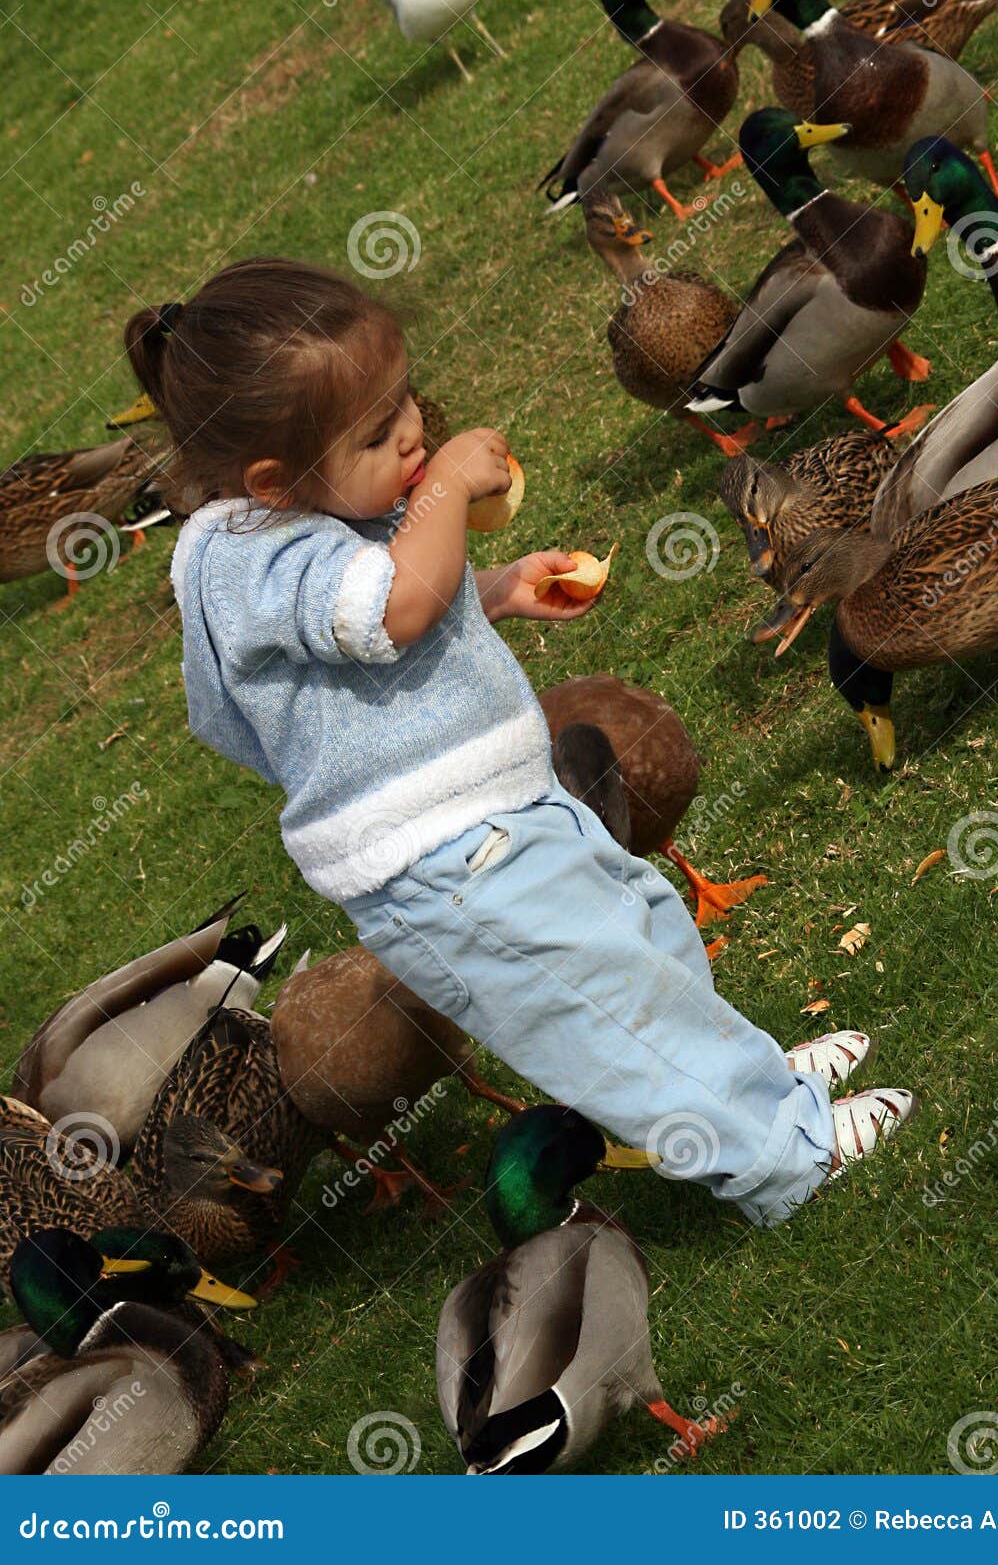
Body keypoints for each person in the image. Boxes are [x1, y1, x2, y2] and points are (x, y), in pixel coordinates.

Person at [128, 256, 914, 1228]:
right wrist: (448, 491)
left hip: (494, 812)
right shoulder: (262, 560)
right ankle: (779, 1155)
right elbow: (394, 603)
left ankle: (739, 1076)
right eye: (380, 432)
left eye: (404, 398)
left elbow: (376, 625)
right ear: (269, 480)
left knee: (641, 928)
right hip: (449, 861)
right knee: (614, 1011)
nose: (415, 431)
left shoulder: (300, 511)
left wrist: (491, 588)